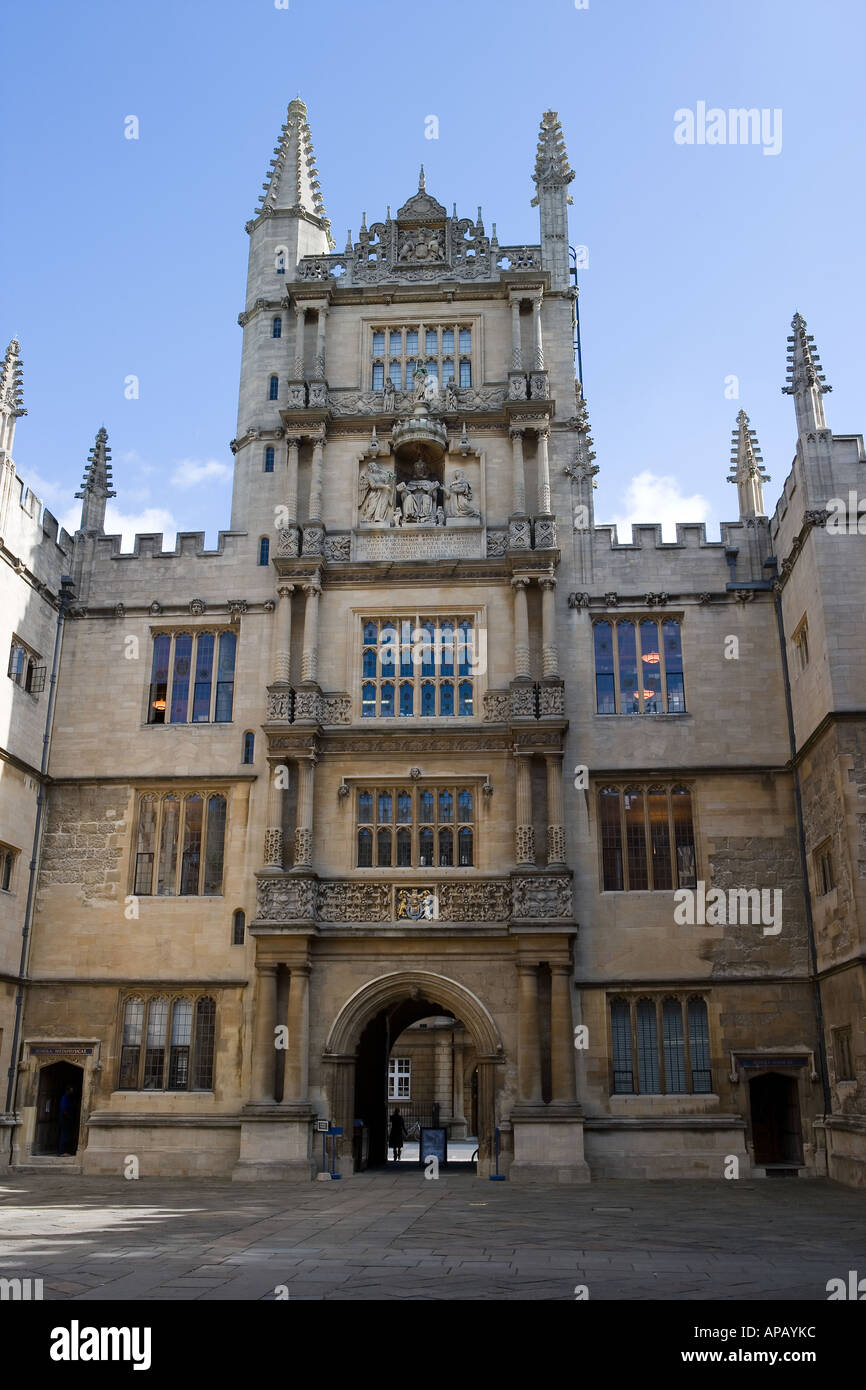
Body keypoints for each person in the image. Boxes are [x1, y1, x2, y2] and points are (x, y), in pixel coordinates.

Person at [58, 1085, 77, 1156]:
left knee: (67, 1135)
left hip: (68, 1120)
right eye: (71, 1091)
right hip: (65, 1120)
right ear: (67, 1091)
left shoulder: (69, 1099)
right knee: (64, 1135)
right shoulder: (64, 1098)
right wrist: (68, 1116)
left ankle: (65, 1151)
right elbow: (64, 1110)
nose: (72, 1092)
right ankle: (62, 1152)